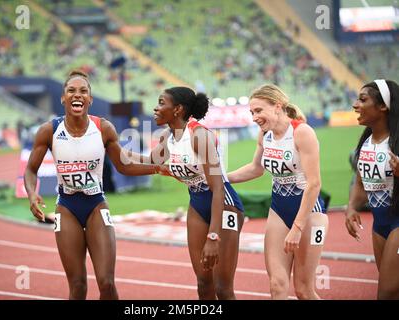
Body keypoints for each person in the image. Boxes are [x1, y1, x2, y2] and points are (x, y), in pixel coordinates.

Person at [24, 70, 165, 300]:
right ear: (63, 98)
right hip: (67, 207)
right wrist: (32, 194)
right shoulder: (49, 131)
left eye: (83, 91)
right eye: (71, 90)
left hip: (96, 205)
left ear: (89, 99)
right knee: (78, 286)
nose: (77, 95)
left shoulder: (103, 128)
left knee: (107, 284)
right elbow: (31, 170)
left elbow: (124, 165)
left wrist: (157, 167)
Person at [128, 86, 245, 300]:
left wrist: (213, 236)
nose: (156, 108)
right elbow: (150, 161)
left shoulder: (199, 136)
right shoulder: (167, 137)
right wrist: (113, 148)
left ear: (178, 109)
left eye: (162, 102)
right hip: (197, 202)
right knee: (203, 282)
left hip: (223, 203)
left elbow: (217, 187)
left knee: (223, 288)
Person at [227, 84, 328, 300]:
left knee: (303, 290)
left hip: (309, 214)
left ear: (277, 107)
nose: (254, 117)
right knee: (277, 284)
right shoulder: (265, 134)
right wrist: (221, 178)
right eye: (252, 112)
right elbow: (256, 168)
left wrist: (298, 227)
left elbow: (314, 184)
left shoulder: (302, 132)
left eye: (259, 111)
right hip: (278, 210)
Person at [345, 79, 399, 299]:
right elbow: (360, 182)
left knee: (385, 293)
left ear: (383, 106)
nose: (355, 105)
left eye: (363, 99)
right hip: (380, 225)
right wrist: (351, 207)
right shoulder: (366, 142)